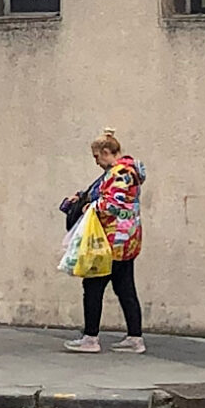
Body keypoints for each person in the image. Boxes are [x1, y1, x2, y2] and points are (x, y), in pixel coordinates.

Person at [60, 128, 143, 354]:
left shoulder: (120, 174)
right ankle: (135, 338)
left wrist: (88, 207)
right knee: (125, 287)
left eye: (97, 156)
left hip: (111, 240)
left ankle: (90, 338)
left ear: (106, 152)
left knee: (93, 286)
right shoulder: (125, 172)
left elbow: (111, 205)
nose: (96, 162)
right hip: (126, 240)